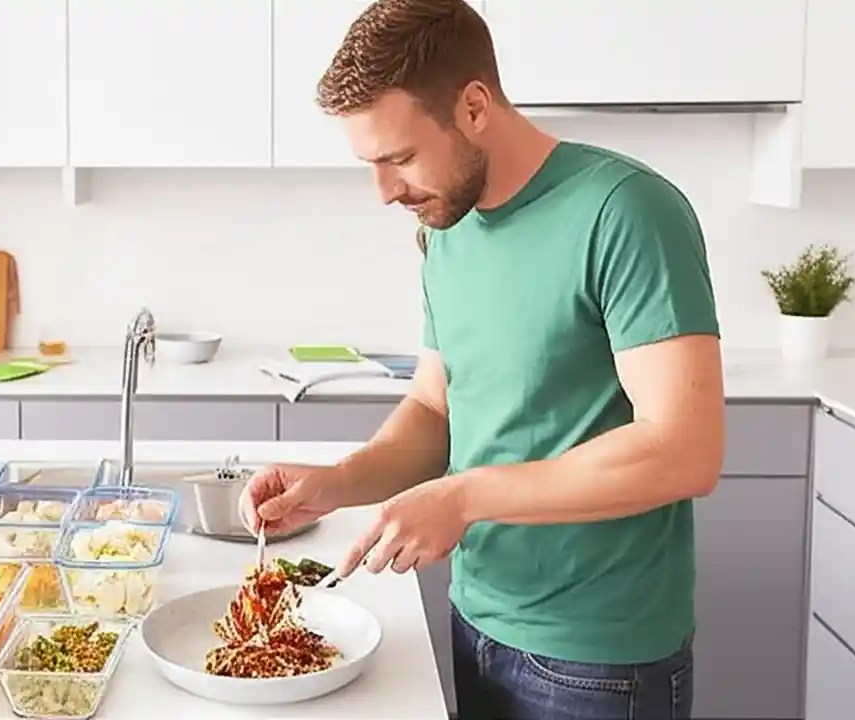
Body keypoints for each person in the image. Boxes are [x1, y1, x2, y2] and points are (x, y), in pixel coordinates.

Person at [238, 1, 725, 718]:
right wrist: (340, 483)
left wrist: (463, 498)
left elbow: (685, 451)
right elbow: (436, 409)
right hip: (476, 621)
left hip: (598, 660)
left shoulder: (625, 211)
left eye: (398, 158)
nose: (384, 191)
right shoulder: (446, 226)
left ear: (473, 107)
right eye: (370, 164)